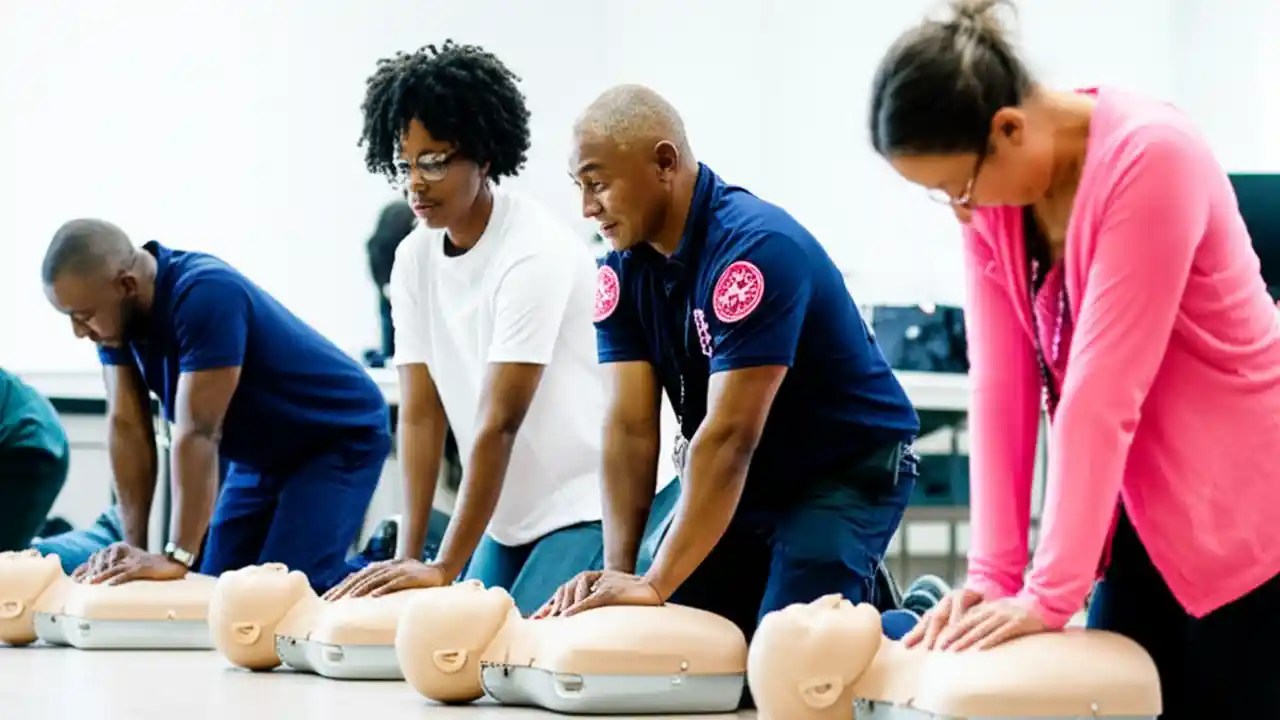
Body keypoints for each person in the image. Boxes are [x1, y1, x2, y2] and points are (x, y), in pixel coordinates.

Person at [869, 1, 1280, 715]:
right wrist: (993, 580)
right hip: (1142, 512)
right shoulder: (995, 206)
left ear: (1008, 129)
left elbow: (1100, 392)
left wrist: (1050, 594)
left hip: (1244, 506)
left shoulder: (1152, 157)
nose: (960, 212)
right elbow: (1000, 387)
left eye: (956, 188)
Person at [537, 84, 922, 644]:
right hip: (743, 483)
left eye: (597, 184)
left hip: (842, 473)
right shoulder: (620, 272)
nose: (586, 207)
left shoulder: (756, 250)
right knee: (676, 637)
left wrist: (655, 582)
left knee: (783, 658)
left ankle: (911, 623)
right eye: (579, 187)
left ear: (664, 163)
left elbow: (729, 437)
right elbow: (629, 429)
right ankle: (845, 594)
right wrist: (624, 580)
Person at [323, 41, 606, 616]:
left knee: (505, 652)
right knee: (446, 636)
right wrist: (411, 559)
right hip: (511, 511)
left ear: (482, 155)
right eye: (406, 164)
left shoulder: (533, 252)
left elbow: (498, 424)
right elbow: (422, 413)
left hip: (591, 498)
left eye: (434, 161)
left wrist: (444, 569)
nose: (416, 184)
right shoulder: (412, 259)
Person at [40, 220, 392, 593]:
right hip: (261, 452)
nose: (80, 332)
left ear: (127, 285)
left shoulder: (205, 294)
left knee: (286, 593)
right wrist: (136, 549)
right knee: (212, 590)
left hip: (335, 435)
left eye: (82, 317)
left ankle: (383, 559)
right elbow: (127, 426)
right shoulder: (114, 313)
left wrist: (175, 557)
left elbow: (199, 432)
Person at [0, 369, 70, 552]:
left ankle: (65, 547)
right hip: (26, 433)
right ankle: (50, 532)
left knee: (5, 562)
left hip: (28, 445)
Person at [365, 199, 417, 361]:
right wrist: (385, 284)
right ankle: (390, 352)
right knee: (391, 314)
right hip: (389, 278)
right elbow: (377, 251)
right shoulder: (396, 218)